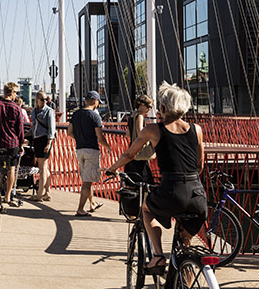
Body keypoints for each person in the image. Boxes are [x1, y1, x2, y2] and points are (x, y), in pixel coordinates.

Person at [105, 83, 207, 270]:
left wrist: (112, 169)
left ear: (162, 108)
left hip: (171, 190)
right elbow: (200, 165)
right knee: (185, 243)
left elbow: (129, 155)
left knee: (146, 209)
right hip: (197, 195)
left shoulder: (153, 130)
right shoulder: (197, 129)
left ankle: (159, 256)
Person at [70, 91, 111, 216]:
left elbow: (69, 131)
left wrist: (78, 138)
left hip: (80, 149)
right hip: (91, 150)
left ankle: (92, 203)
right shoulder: (94, 116)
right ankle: (80, 209)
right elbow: (100, 136)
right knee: (87, 182)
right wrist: (108, 147)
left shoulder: (76, 114)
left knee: (87, 178)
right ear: (95, 101)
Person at [0, 82, 25, 209]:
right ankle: (7, 195)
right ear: (12, 93)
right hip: (12, 143)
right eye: (16, 93)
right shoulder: (16, 108)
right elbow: (20, 129)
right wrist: (22, 143)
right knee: (11, 168)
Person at [28, 91, 56, 202]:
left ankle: (39, 194)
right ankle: (47, 192)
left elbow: (51, 128)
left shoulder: (49, 111)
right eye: (42, 99)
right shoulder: (34, 112)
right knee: (45, 167)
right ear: (37, 100)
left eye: (45, 99)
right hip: (37, 139)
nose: (44, 101)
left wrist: (49, 143)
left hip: (44, 139)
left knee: (42, 167)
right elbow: (34, 127)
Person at [124, 94, 155, 183]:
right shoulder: (140, 116)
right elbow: (141, 133)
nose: (149, 109)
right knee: (144, 180)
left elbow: (128, 134)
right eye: (148, 106)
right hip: (140, 151)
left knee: (133, 181)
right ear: (141, 105)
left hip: (132, 148)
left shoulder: (132, 115)